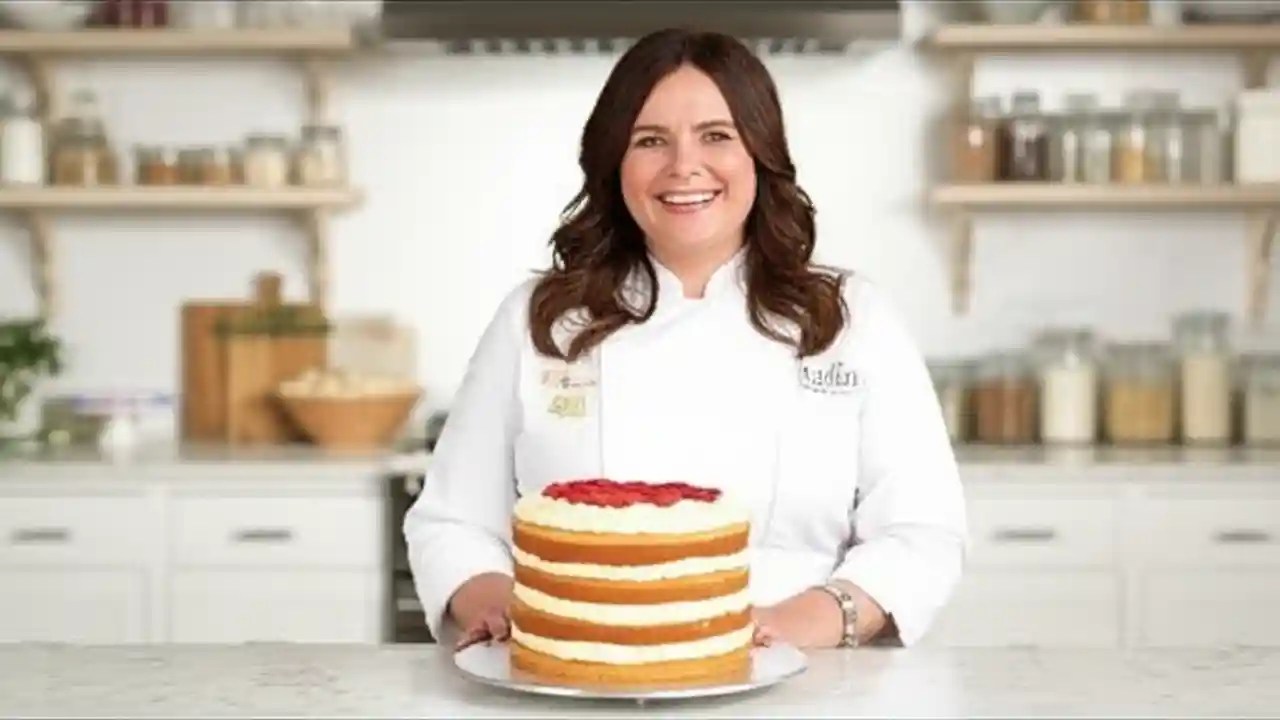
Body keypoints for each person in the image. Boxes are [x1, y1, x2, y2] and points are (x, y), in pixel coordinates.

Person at [404, 27, 967, 652]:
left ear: (760, 152)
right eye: (650, 141)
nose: (683, 167)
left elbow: (922, 531)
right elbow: (452, 520)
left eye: (716, 136)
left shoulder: (850, 318)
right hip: (582, 676)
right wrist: (504, 608)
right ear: (615, 161)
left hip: (805, 679)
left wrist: (802, 621)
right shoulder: (540, 320)